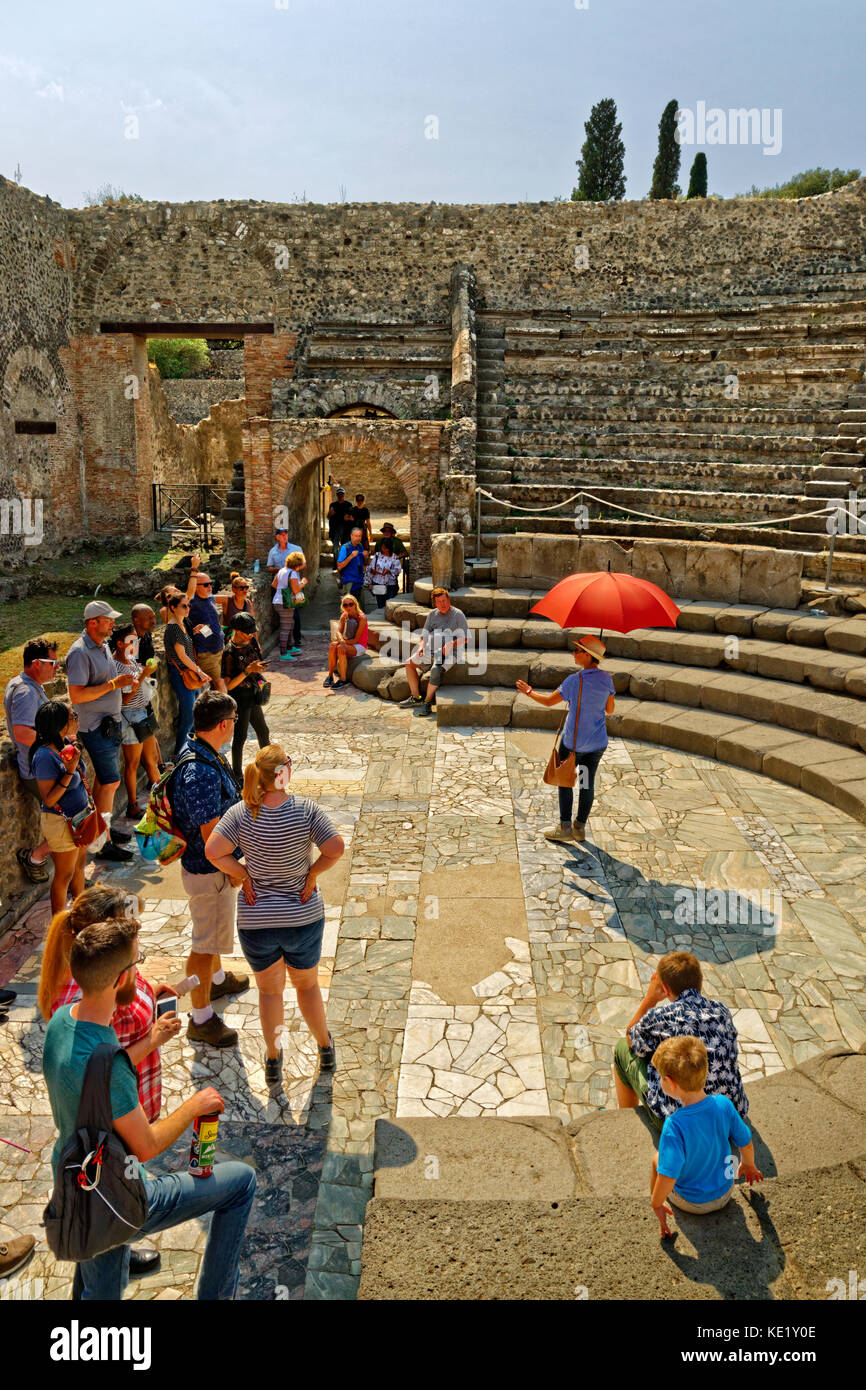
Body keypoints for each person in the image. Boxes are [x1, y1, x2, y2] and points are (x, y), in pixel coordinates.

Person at [42, 916, 256, 1299]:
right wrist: (195, 1105)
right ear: (121, 979)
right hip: (120, 1190)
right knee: (241, 1182)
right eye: (136, 964)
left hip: (78, 1181)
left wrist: (149, 1043)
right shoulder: (110, 1068)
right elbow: (147, 1146)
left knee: (100, 1272)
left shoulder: (61, 1021)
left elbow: (96, 1076)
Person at [38, 883, 181, 1279]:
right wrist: (151, 1040)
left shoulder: (102, 980)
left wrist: (150, 991)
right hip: (113, 1113)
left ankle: (112, 1248)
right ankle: (110, 1257)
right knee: (108, 1190)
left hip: (129, 1098)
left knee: (115, 1185)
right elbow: (96, 1068)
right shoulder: (79, 998)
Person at [205, 745, 343, 1083]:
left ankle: (273, 1059)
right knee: (307, 986)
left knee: (269, 992)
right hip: (302, 916)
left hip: (256, 920)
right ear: (282, 773)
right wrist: (311, 874)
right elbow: (335, 848)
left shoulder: (241, 813)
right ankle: (325, 1049)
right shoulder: (306, 810)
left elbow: (213, 851)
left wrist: (243, 874)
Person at [170, 691, 249, 1048]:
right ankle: (200, 1019)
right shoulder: (199, 771)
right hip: (209, 872)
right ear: (224, 724)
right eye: (233, 721)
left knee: (213, 935)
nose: (234, 726)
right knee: (203, 946)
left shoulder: (202, 750)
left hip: (211, 870)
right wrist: (236, 870)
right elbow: (212, 838)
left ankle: (216, 981)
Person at [613, 950, 749, 1133]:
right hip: (731, 1117)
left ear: (666, 989)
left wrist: (650, 999)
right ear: (700, 980)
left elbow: (631, 1038)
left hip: (686, 1126)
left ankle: (624, 1123)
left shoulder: (660, 1018)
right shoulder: (721, 1011)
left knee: (623, 1049)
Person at [650, 1036, 763, 1238]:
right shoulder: (723, 1104)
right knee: (723, 1150)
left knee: (657, 1159)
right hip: (726, 1190)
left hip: (693, 1202)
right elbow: (745, 1141)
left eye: (661, 1077)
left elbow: (668, 1174)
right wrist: (748, 1165)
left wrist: (656, 1203)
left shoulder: (674, 1125)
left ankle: (657, 1204)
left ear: (669, 1083)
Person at [515, 633, 615, 843]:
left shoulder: (574, 681)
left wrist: (529, 691)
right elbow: (610, 709)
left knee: (565, 781)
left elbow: (549, 701)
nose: (574, 653)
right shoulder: (607, 679)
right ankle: (579, 828)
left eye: (578, 650)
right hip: (596, 743)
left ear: (588, 656)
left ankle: (564, 828)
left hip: (573, 744)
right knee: (586, 783)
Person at [65, 601, 137, 863]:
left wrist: (124, 682)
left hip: (109, 723)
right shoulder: (80, 653)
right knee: (110, 782)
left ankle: (102, 830)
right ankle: (102, 843)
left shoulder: (102, 645)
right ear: (92, 622)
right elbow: (77, 694)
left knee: (103, 783)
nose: (112, 624)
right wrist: (113, 684)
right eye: (108, 620)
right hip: (95, 726)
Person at [5, 637, 58, 883]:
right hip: (40, 773)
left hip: (43, 769)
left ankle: (69, 876)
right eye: (52, 662)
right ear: (36, 663)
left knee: (69, 822)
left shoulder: (27, 685)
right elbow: (22, 733)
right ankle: (35, 857)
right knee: (71, 824)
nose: (56, 667)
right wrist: (57, 741)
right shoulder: (26, 691)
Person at [30, 700, 90, 915]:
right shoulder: (44, 756)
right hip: (61, 822)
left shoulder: (64, 745)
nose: (76, 720)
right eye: (73, 717)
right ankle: (59, 924)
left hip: (79, 818)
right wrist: (68, 772)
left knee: (78, 868)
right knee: (64, 876)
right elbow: (49, 799)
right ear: (60, 724)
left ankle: (80, 913)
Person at [110, 624, 161, 814]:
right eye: (131, 641)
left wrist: (143, 670)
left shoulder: (130, 659)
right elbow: (124, 699)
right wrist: (143, 675)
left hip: (141, 712)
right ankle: (132, 805)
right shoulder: (115, 666)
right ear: (119, 644)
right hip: (130, 716)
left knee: (152, 759)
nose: (135, 644)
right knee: (132, 763)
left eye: (136, 640)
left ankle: (162, 802)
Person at [401, 586, 469, 718]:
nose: (443, 604)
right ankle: (416, 697)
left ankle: (427, 702)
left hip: (451, 653)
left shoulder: (458, 615)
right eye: (439, 602)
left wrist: (451, 643)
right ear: (435, 603)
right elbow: (424, 635)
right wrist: (421, 647)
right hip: (430, 650)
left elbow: (465, 638)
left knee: (435, 670)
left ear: (448, 599)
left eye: (444, 600)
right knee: (409, 663)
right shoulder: (432, 614)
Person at [221, 614, 271, 783]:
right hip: (240, 699)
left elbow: (257, 665)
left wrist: (259, 671)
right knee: (240, 737)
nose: (250, 635)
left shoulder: (252, 643)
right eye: (246, 632)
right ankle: (237, 775)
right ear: (236, 630)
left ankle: (269, 766)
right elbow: (229, 686)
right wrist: (248, 671)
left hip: (253, 695)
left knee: (263, 731)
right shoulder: (229, 653)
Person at [164, 592, 212, 759]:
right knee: (188, 717)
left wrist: (193, 631)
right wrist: (200, 671)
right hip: (182, 675)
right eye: (184, 606)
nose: (188, 608)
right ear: (173, 608)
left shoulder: (183, 624)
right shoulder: (173, 628)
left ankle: (191, 750)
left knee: (194, 714)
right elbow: (182, 656)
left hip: (189, 673)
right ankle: (179, 755)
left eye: (189, 605)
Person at [189, 572, 227, 692]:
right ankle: (230, 709)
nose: (210, 587)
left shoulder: (211, 598)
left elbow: (214, 621)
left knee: (217, 684)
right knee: (219, 682)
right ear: (195, 586)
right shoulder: (191, 603)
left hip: (219, 649)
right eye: (206, 585)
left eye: (210, 583)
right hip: (206, 653)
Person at [323, 594, 368, 689]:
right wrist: (342, 641)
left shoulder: (362, 618)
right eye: (345, 605)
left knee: (340, 647)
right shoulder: (344, 616)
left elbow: (356, 639)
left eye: (350, 604)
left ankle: (343, 679)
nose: (348, 607)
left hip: (359, 646)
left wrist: (342, 643)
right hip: (347, 642)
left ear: (355, 604)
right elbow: (338, 632)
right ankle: (330, 676)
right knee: (332, 646)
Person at [272, 550, 307, 660]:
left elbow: (274, 585)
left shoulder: (282, 570)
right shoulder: (293, 573)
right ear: (297, 564)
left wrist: (282, 588)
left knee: (290, 624)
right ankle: (283, 653)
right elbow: (296, 590)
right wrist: (303, 583)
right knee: (286, 628)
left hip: (278, 601)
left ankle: (290, 647)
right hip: (285, 603)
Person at [336, 525, 368, 605]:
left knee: (360, 608)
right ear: (351, 536)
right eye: (356, 536)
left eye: (360, 536)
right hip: (349, 582)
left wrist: (366, 556)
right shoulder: (345, 548)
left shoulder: (360, 546)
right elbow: (339, 566)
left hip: (359, 581)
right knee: (349, 608)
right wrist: (351, 556)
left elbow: (363, 563)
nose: (358, 538)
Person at [366, 538, 402, 608]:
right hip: (379, 584)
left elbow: (397, 571)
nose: (383, 549)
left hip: (390, 585)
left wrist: (389, 572)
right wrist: (373, 571)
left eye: (385, 548)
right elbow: (371, 567)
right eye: (382, 547)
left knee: (389, 605)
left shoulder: (394, 557)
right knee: (380, 605)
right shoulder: (377, 555)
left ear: (389, 548)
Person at [217, 573, 254, 640]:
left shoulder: (248, 602)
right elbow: (208, 598)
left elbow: (253, 625)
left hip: (245, 641)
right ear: (234, 589)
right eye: (241, 588)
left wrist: (256, 642)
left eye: (246, 587)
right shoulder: (227, 600)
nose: (244, 590)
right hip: (230, 641)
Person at [327, 487, 354, 568]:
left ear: (344, 494)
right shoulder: (333, 505)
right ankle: (336, 563)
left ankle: (344, 563)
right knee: (335, 548)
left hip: (345, 530)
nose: (340, 496)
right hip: (334, 530)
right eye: (339, 494)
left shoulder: (348, 505)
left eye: (342, 494)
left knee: (344, 547)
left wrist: (337, 515)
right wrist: (332, 514)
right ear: (337, 495)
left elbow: (350, 517)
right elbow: (328, 516)